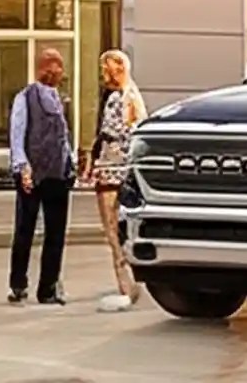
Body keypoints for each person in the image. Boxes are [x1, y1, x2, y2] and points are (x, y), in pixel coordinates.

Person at [6, 48, 75, 306]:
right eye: (52, 66)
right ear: (41, 68)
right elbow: (17, 133)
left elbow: (63, 136)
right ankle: (18, 283)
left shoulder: (59, 99)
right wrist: (22, 166)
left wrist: (71, 163)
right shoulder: (25, 97)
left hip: (58, 174)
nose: (56, 71)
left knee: (56, 233)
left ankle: (48, 288)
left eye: (59, 66)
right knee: (25, 229)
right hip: (32, 173)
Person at [88, 49, 147, 312]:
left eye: (106, 68)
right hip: (123, 169)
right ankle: (129, 281)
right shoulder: (132, 96)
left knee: (112, 230)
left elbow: (112, 133)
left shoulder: (117, 98)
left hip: (111, 169)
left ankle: (126, 283)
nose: (103, 75)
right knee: (121, 228)